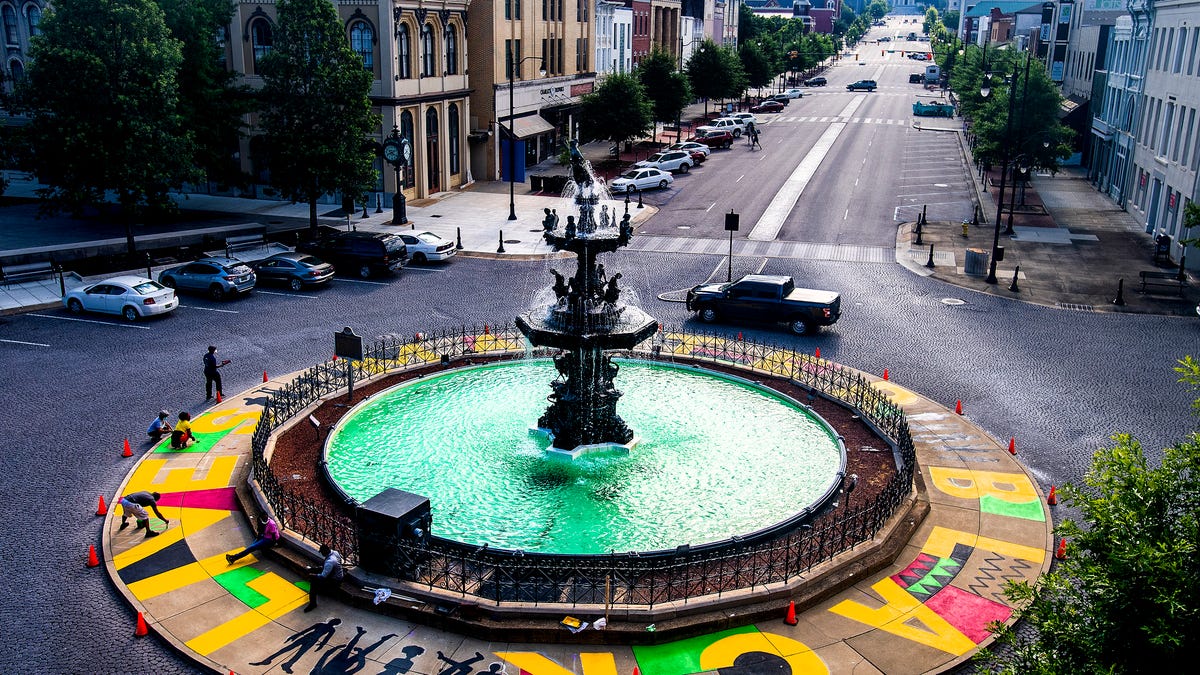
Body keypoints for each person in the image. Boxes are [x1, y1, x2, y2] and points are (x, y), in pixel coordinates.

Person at [305, 544, 345, 612]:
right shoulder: (335, 552)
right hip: (337, 574)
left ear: (325, 552)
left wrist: (313, 576)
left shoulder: (330, 562)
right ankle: (311, 569)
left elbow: (323, 576)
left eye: (322, 552)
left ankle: (312, 604)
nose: (322, 554)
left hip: (335, 580)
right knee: (319, 569)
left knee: (314, 583)